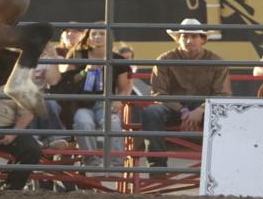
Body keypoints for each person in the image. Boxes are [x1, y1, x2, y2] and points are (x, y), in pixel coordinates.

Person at [141, 17, 229, 169]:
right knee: (151, 112)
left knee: (227, 115)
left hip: (204, 109)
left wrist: (201, 109)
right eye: (185, 36)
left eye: (194, 36)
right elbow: (158, 93)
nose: (189, 40)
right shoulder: (164, 60)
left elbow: (223, 95)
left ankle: (219, 167)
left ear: (203, 39)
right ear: (178, 40)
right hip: (173, 108)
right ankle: (157, 167)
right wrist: (182, 110)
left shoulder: (217, 61)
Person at [53, 26, 130, 153]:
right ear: (88, 38)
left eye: (102, 34)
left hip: (105, 103)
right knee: (83, 123)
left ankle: (116, 166)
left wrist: (119, 100)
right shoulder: (76, 55)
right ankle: (91, 163)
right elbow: (65, 81)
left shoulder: (118, 59)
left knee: (113, 124)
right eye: (93, 34)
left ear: (109, 38)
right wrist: (84, 72)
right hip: (80, 103)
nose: (97, 37)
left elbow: (124, 87)